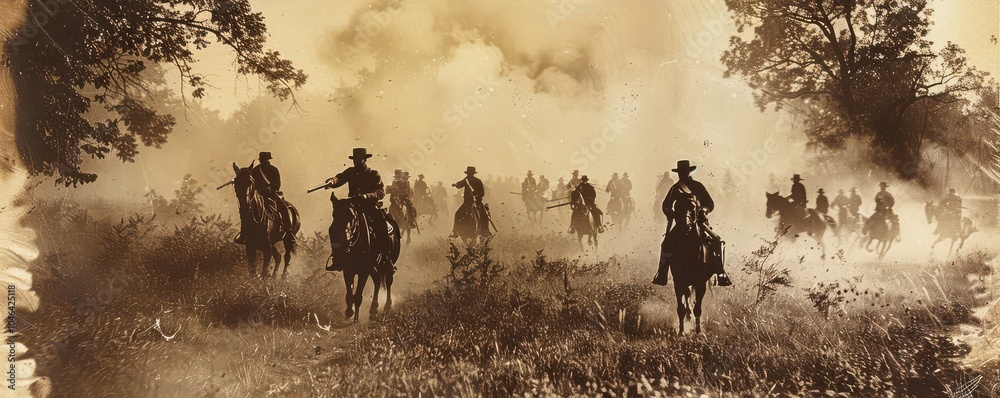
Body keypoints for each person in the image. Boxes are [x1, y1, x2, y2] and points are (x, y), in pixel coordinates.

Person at [654, 160, 730, 287]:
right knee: (666, 244)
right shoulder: (675, 188)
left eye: (683, 172)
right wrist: (671, 213)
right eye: (680, 173)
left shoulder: (698, 186)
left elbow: (710, 203)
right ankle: (662, 274)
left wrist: (704, 209)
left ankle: (720, 272)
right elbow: (666, 205)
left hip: (700, 222)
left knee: (716, 241)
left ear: (688, 172)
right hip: (680, 224)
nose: (681, 175)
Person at [323, 148, 388, 271]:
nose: (356, 162)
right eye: (355, 160)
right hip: (353, 205)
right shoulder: (350, 172)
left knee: (381, 225)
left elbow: (380, 192)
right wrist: (332, 181)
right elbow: (339, 178)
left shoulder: (373, 174)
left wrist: (366, 196)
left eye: (359, 159)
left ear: (364, 160)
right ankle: (337, 258)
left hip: (368, 205)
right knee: (335, 228)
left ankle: (385, 258)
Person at [250, 151, 293, 232]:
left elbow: (277, 184)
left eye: (264, 159)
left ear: (267, 160)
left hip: (271, 194)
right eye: (261, 159)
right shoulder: (254, 171)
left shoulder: (274, 170)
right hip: (258, 195)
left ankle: (288, 230)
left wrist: (270, 189)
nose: (262, 161)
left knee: (283, 207)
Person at [451, 166, 491, 238]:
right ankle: (455, 231)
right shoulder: (466, 180)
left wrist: (476, 194)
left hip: (477, 202)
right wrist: (455, 185)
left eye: (470, 173)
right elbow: (459, 185)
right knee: (457, 214)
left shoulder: (478, 181)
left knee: (484, 216)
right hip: (467, 203)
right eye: (468, 173)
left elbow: (482, 193)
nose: (469, 174)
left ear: (473, 173)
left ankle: (486, 231)